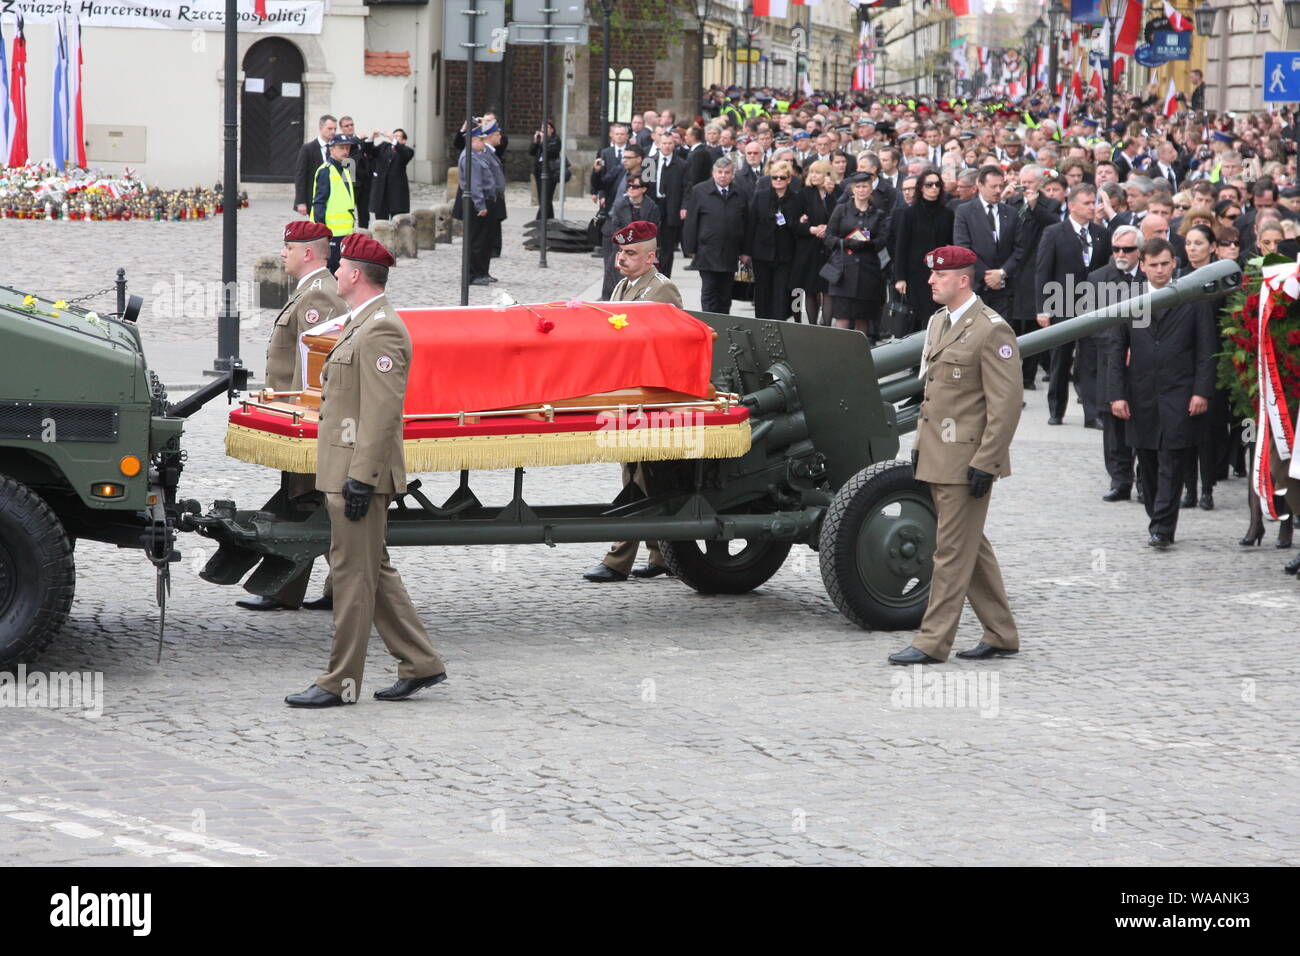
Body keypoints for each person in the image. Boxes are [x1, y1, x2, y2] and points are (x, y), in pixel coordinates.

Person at [285, 234, 448, 707]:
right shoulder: (363, 323)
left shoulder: (381, 330)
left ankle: (340, 682)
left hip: (358, 475)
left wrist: (363, 477)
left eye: (340, 268)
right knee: (372, 570)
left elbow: (382, 412)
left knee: (353, 578)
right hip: (346, 469)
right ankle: (421, 663)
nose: (334, 273)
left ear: (355, 275)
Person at [888, 246, 1023, 665]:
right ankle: (1001, 632)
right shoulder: (938, 322)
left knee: (948, 551)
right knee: (970, 546)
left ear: (963, 279)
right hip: (937, 455)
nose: (931, 281)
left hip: (966, 462)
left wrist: (987, 460)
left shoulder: (991, 329)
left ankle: (932, 641)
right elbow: (932, 395)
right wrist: (917, 447)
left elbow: (1006, 404)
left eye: (940, 276)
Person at [237, 221, 348, 613]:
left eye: (288, 247)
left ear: (308, 253)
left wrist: (305, 418)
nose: (282, 254)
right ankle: (302, 592)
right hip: (293, 416)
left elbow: (317, 366)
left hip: (308, 421)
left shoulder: (322, 297)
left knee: (307, 504)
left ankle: (297, 592)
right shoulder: (309, 292)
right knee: (304, 502)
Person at [583, 221, 683, 583]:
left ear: (651, 257)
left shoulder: (661, 289)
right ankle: (661, 555)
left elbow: (665, 346)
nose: (621, 260)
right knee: (637, 472)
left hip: (650, 398)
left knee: (639, 481)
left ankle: (617, 560)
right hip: (626, 394)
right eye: (620, 253)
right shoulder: (625, 286)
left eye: (630, 253)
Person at [1105, 238, 1217, 549]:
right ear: (1142, 265)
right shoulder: (1130, 300)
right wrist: (1117, 394)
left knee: (1173, 460)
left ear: (1174, 264)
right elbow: (1116, 350)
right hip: (1141, 396)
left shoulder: (1193, 299)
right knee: (1148, 462)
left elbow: (1207, 349)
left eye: (1165, 264)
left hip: (1179, 393)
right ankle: (1156, 515)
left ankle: (1163, 528)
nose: (1159, 270)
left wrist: (1201, 392)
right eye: (1153, 265)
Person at [1035, 183, 1112, 426]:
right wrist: (1043, 307)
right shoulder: (1054, 233)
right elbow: (1043, 271)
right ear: (1072, 205)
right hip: (1062, 303)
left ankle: (1092, 414)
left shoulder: (1101, 233)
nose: (1092, 207)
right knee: (1060, 359)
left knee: (1090, 360)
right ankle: (1056, 410)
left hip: (1092, 305)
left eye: (1094, 202)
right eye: (1087, 203)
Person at [1088, 225, 1144, 503]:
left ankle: (1146, 481)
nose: (1121, 254)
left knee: (1144, 422)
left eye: (1128, 249)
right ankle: (1120, 480)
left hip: (1145, 363)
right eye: (1116, 249)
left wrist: (1137, 347)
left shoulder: (1151, 276)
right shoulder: (1098, 278)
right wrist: (1120, 346)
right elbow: (1091, 323)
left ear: (1140, 251)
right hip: (1111, 360)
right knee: (1113, 425)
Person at [1178, 222, 1229, 511]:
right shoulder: (1180, 279)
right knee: (1184, 429)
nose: (1193, 248)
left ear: (1212, 247)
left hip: (1215, 362)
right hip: (1184, 362)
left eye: (1199, 243)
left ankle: (1207, 486)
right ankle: (1188, 487)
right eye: (1189, 243)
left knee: (1209, 430)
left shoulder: (1222, 279)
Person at [953, 164, 1027, 325]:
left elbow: (1019, 248)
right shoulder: (964, 211)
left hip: (1004, 288)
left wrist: (1001, 273)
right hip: (976, 288)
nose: (998, 190)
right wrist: (987, 276)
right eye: (993, 186)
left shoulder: (1011, 213)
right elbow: (963, 248)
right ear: (980, 185)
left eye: (1001, 186)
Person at [824, 173, 892, 338]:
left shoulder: (878, 213)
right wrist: (845, 243)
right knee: (843, 316)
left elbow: (883, 239)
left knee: (863, 316)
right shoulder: (841, 209)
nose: (862, 190)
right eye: (858, 187)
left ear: (871, 189)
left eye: (865, 186)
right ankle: (839, 353)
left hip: (868, 270)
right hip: (844, 269)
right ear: (853, 189)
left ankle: (859, 353)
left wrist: (868, 244)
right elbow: (828, 236)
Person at [681, 157, 751, 314]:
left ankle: (723, 323)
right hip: (707, 251)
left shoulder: (740, 193)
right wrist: (690, 248)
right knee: (709, 291)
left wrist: (745, 251)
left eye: (727, 172)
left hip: (730, 251)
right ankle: (709, 324)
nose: (723, 176)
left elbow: (746, 223)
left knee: (725, 294)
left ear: (733, 174)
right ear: (713, 173)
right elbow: (691, 222)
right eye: (719, 172)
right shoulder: (700, 191)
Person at [892, 168, 954, 336]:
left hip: (940, 272)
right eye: (929, 184)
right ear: (921, 187)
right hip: (915, 274)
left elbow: (952, 242)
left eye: (937, 184)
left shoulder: (947, 214)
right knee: (914, 319)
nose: (934, 187)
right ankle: (914, 360)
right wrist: (900, 277)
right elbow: (901, 246)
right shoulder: (909, 213)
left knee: (937, 317)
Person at [747, 160, 803, 320]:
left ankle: (779, 324)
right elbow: (751, 224)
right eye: (774, 177)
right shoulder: (761, 196)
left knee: (781, 293)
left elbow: (798, 226)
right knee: (762, 292)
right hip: (762, 252)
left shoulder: (796, 199)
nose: (778, 180)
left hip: (785, 253)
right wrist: (746, 251)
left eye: (782, 177)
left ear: (789, 179)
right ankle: (761, 324)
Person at [792, 160, 841, 325]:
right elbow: (793, 223)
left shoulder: (836, 192)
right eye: (811, 172)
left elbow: (842, 215)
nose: (813, 176)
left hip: (829, 249)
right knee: (811, 290)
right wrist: (811, 229)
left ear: (827, 175)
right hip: (809, 249)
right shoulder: (803, 194)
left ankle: (826, 326)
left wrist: (829, 227)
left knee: (828, 290)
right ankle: (812, 326)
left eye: (818, 172)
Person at [601, 176, 660, 299]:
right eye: (629, 186)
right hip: (620, 249)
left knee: (640, 286)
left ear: (644, 189)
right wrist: (626, 247)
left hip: (642, 254)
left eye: (635, 187)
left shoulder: (652, 207)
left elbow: (653, 231)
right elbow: (616, 229)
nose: (631, 189)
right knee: (614, 283)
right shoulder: (619, 204)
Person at [457, 126, 501, 286]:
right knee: (476, 240)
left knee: (484, 239)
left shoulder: (477, 156)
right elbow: (475, 184)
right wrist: (480, 204)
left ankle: (481, 271)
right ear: (472, 141)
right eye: (481, 140)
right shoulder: (470, 158)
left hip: (485, 199)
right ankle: (473, 274)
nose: (483, 142)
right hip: (476, 203)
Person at [310, 133, 358, 273]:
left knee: (342, 272)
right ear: (331, 149)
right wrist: (322, 232)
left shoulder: (346, 169)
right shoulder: (326, 171)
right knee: (331, 271)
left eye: (347, 148)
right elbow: (319, 203)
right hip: (331, 233)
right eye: (341, 148)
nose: (345, 151)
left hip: (345, 232)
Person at [647, 130, 687, 277]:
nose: (667, 146)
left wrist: (684, 206)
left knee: (668, 246)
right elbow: (646, 185)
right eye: (664, 143)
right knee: (651, 243)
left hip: (672, 206)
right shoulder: (650, 161)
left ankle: (664, 277)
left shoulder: (682, 164)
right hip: (654, 205)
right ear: (659, 144)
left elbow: (686, 188)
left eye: (670, 143)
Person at [365, 128, 414, 221]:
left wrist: (393, 139)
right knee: (381, 223)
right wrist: (372, 137)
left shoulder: (408, 151)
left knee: (398, 223)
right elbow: (369, 151)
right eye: (393, 135)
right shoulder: (384, 146)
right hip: (381, 193)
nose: (394, 137)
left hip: (396, 194)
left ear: (404, 140)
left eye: (397, 136)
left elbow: (404, 154)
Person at [295, 114, 336, 216]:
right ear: (321, 128)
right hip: (314, 197)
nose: (333, 132)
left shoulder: (337, 148)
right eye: (330, 128)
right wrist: (301, 202)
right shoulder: (308, 149)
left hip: (333, 198)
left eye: (335, 129)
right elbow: (300, 176)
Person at [338, 116, 372, 229]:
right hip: (350, 180)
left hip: (364, 181)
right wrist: (358, 137)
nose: (350, 127)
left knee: (364, 212)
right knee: (349, 211)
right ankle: (348, 235)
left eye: (351, 125)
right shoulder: (341, 140)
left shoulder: (359, 140)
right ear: (341, 128)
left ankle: (364, 234)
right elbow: (348, 145)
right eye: (346, 126)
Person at [530, 120, 562, 221]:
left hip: (550, 172)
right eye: (542, 128)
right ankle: (550, 220)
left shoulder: (555, 140)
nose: (543, 130)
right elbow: (531, 152)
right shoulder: (540, 140)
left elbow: (551, 152)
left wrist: (543, 142)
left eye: (546, 128)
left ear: (552, 130)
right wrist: (536, 142)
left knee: (546, 198)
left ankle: (539, 221)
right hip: (539, 171)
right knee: (543, 199)